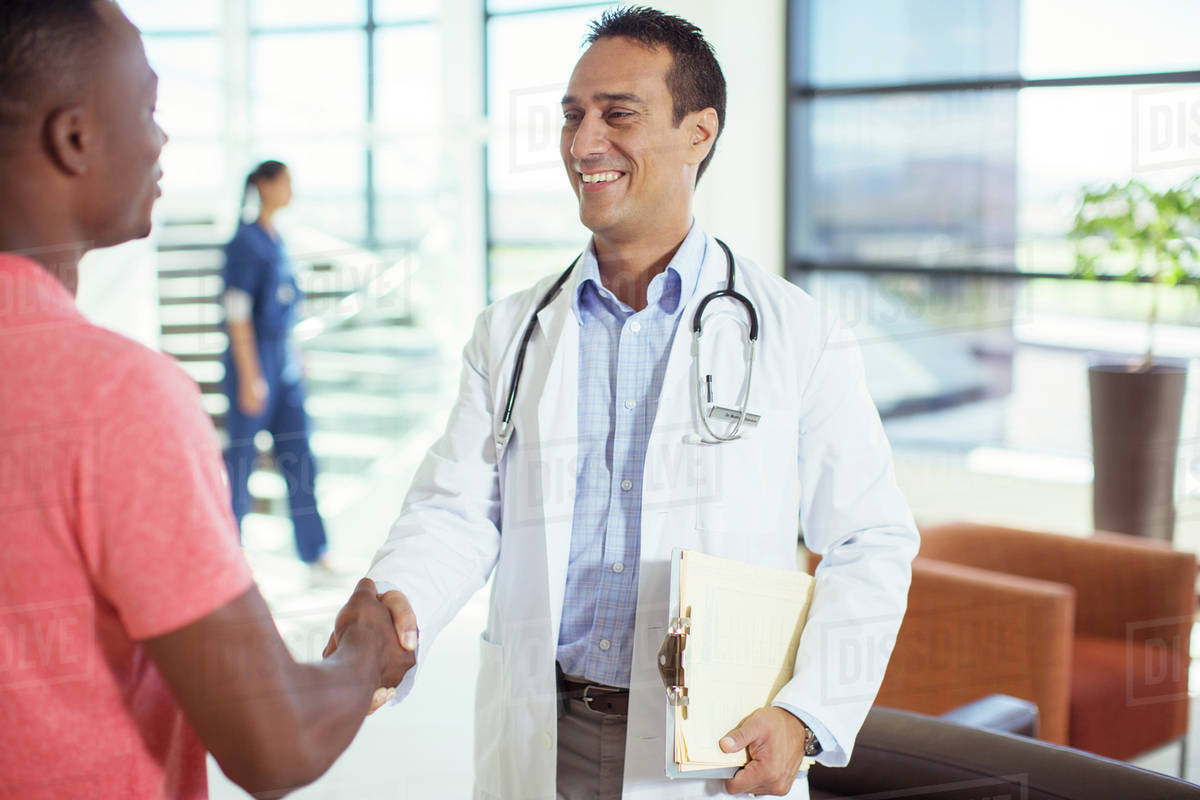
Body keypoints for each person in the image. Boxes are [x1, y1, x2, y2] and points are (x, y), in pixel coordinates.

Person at [329, 6, 918, 799]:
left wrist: (805, 714)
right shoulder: (510, 332)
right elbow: (457, 510)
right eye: (573, 116)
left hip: (709, 751)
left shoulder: (799, 334)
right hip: (542, 734)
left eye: (618, 115)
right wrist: (398, 609)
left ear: (698, 132)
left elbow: (869, 539)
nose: (583, 144)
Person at [0, 2, 413, 797]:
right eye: (147, 109)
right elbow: (276, 742)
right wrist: (370, 649)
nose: (161, 140)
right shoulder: (118, 397)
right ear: (73, 137)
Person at [222, 160, 336, 579]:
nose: (292, 189)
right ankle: (228, 556)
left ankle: (314, 551)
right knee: (241, 461)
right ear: (265, 185)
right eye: (286, 182)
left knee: (300, 457)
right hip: (253, 363)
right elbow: (237, 313)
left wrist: (296, 355)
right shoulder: (244, 242)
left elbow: (285, 307)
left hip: (284, 365)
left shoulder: (278, 240)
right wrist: (251, 375)